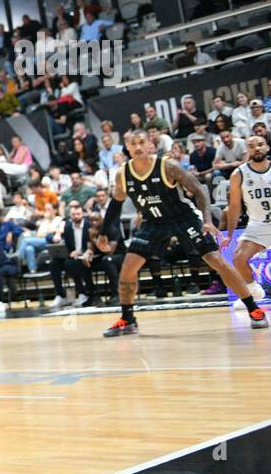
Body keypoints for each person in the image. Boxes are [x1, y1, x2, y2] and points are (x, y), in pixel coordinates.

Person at [99, 129, 266, 336]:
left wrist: (206, 220)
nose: (139, 147)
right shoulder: (122, 173)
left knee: (216, 260)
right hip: (153, 222)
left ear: (150, 143)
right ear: (127, 147)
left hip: (183, 217)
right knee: (128, 268)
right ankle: (127, 319)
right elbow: (116, 204)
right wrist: (103, 232)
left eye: (142, 142)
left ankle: (254, 309)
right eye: (133, 144)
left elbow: (198, 190)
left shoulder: (168, 166)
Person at [221, 133, 271, 307]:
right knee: (238, 258)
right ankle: (254, 291)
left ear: (267, 147)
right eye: (251, 146)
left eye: (260, 144)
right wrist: (229, 233)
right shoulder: (238, 174)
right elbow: (234, 206)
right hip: (258, 225)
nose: (257, 148)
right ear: (247, 150)